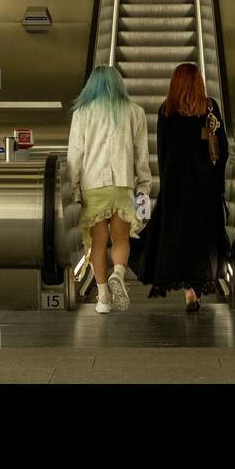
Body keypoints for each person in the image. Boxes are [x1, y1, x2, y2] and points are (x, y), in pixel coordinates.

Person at [130, 63, 230, 312]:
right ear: (199, 83)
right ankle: (195, 290)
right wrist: (217, 181)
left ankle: (188, 289)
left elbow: (162, 151)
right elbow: (223, 149)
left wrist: (165, 182)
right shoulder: (209, 107)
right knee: (202, 239)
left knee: (179, 238)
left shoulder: (166, 111)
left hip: (176, 185)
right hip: (205, 185)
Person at [67, 66, 152, 314]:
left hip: (93, 187)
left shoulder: (82, 113)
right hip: (123, 186)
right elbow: (141, 155)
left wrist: (74, 190)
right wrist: (144, 187)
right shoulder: (135, 112)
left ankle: (103, 297)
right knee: (122, 238)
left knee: (97, 243)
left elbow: (75, 155)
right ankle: (119, 272)